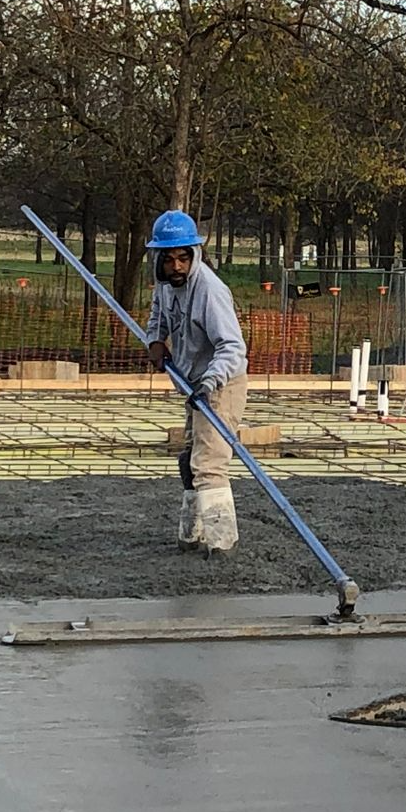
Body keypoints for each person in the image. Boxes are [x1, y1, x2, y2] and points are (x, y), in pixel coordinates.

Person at [145, 210, 248, 555]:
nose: (176, 266)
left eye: (183, 258)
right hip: (194, 385)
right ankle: (191, 534)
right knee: (189, 459)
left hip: (220, 385)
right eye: (169, 258)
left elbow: (233, 347)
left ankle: (222, 544)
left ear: (195, 254)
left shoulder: (210, 291)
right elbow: (159, 314)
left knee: (208, 465)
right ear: (159, 258)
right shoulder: (166, 284)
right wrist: (155, 339)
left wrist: (210, 382)